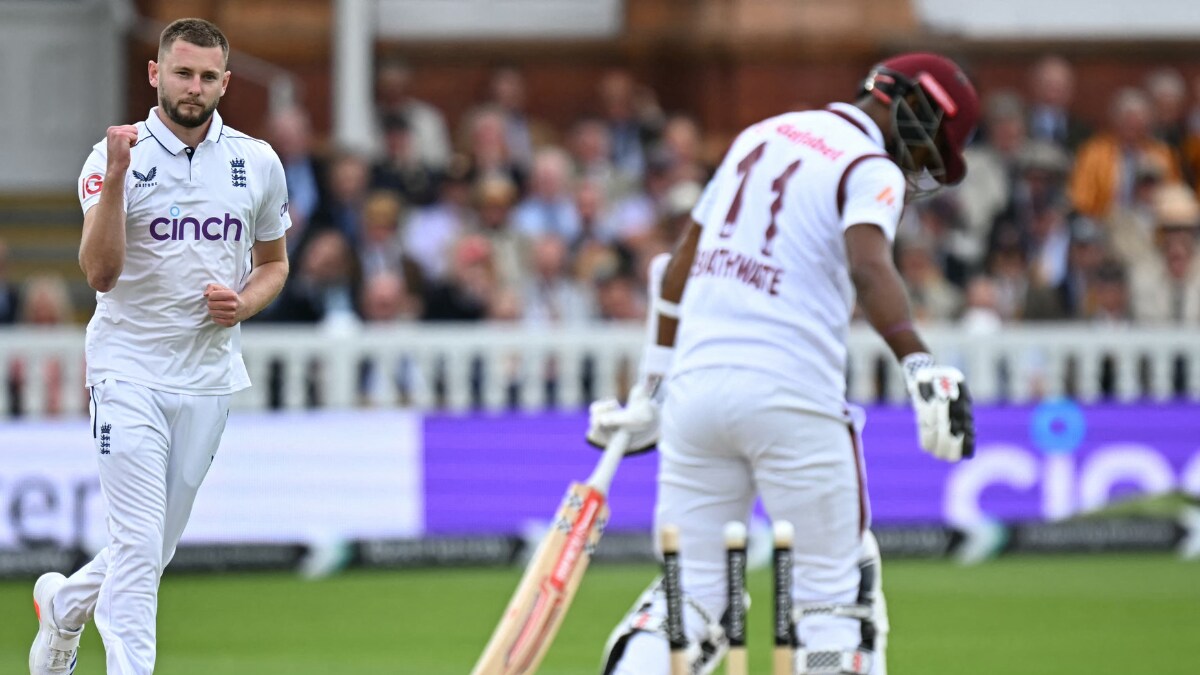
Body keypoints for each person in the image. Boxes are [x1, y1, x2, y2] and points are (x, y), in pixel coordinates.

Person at [587, 52, 979, 675]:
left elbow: (677, 271)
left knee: (688, 598)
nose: (921, 167)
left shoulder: (757, 136)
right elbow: (869, 267)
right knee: (833, 605)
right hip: (792, 396)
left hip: (696, 397)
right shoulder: (867, 163)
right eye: (932, 148)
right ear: (916, 105)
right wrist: (920, 364)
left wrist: (652, 391)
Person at [29, 18, 291, 675]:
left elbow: (274, 263)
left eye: (207, 76)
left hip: (207, 378)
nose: (194, 87)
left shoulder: (256, 161)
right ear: (156, 74)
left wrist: (246, 302)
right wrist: (117, 179)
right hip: (128, 370)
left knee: (151, 548)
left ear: (225, 83)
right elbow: (99, 274)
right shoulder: (114, 156)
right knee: (141, 547)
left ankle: (64, 606)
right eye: (183, 72)